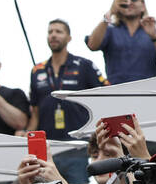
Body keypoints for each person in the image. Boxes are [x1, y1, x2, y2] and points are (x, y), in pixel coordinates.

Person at [27, 20, 105, 148]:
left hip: (79, 143)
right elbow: (35, 112)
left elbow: (103, 98)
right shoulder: (37, 70)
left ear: (69, 38)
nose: (53, 35)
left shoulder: (84, 65)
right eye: (50, 32)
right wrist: (28, 134)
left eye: (59, 31)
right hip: (47, 145)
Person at [86, 0, 156, 85]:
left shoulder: (154, 32)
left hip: (145, 91)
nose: (128, 2)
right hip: (115, 91)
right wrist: (110, 13)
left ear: (143, 6)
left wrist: (155, 37)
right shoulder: (109, 29)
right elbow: (92, 45)